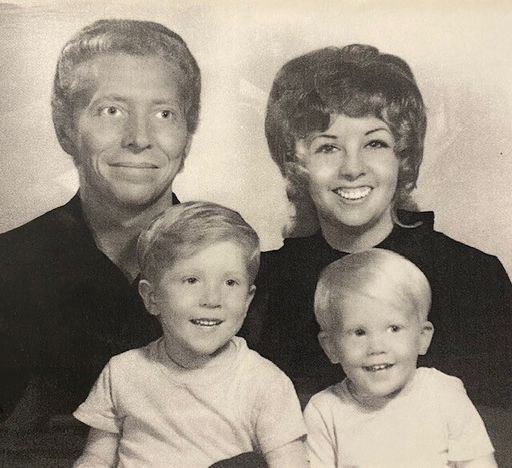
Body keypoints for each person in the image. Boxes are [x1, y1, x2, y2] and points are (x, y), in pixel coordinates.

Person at [252, 44, 512, 408]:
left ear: (402, 157)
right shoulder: (261, 286)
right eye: (328, 148)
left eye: (374, 143)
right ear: (297, 165)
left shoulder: (472, 278)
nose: (352, 168)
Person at [0, 19, 201, 432]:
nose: (139, 138)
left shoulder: (239, 267)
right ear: (65, 129)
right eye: (111, 111)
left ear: (188, 134)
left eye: (164, 113)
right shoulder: (8, 268)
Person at [73, 202, 308, 468]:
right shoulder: (122, 372)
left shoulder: (264, 382)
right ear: (152, 297)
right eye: (192, 280)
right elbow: (97, 455)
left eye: (230, 282)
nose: (212, 299)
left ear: (247, 300)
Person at [304, 249, 497, 467]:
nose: (376, 347)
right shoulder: (324, 412)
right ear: (331, 346)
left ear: (422, 337)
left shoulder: (444, 394)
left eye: (394, 328)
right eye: (359, 332)